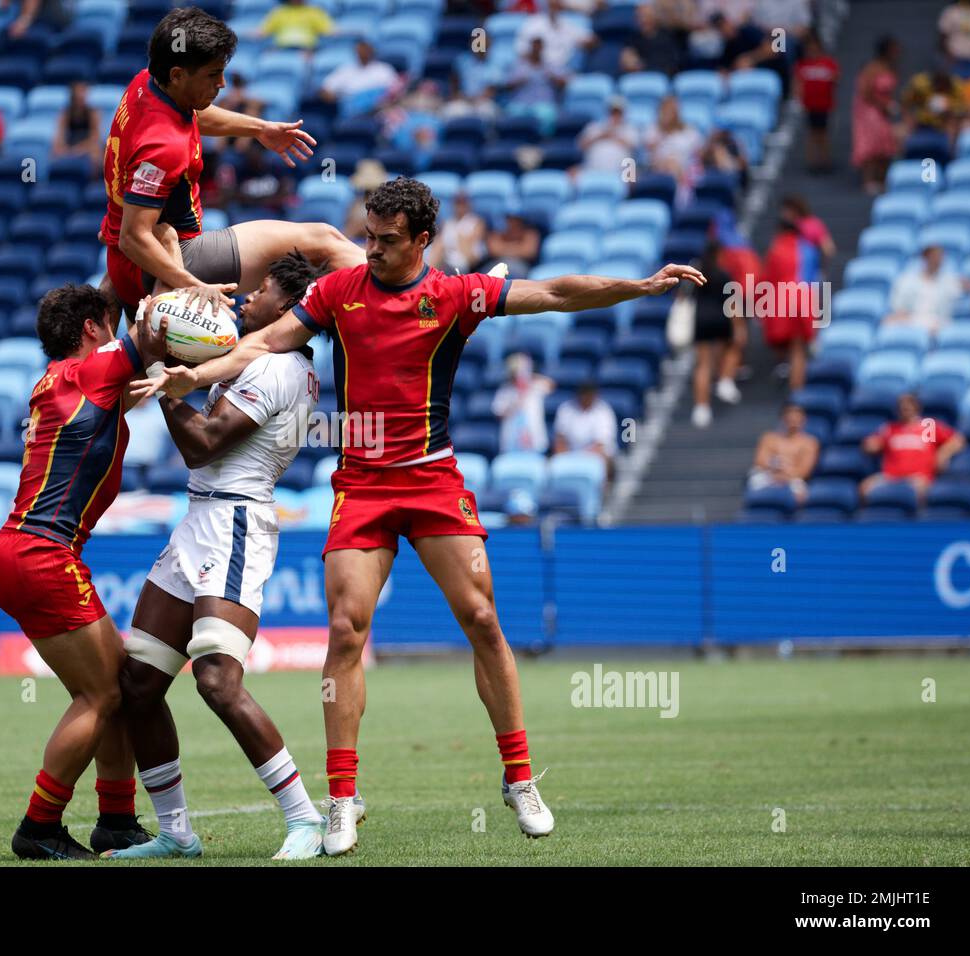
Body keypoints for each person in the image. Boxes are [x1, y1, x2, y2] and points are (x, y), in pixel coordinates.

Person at [133, 176, 706, 856]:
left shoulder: (456, 295)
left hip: (433, 480)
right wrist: (192, 378)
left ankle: (519, 779)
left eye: (386, 241)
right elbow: (264, 343)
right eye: (367, 236)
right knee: (345, 631)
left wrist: (638, 286)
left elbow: (553, 293)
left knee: (484, 619)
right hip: (363, 486)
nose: (369, 249)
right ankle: (341, 801)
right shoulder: (334, 293)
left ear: (422, 240)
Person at [106, 252, 327, 862]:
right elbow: (195, 364)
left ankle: (304, 818)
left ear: (288, 308)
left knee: (216, 681)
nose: (246, 298)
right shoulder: (260, 358)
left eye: (260, 293)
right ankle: (176, 833)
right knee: (139, 683)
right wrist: (168, 324)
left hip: (234, 520)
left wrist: (154, 361)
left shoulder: (278, 368)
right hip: (200, 519)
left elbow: (202, 445)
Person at [0, 283, 169, 861]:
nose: (114, 332)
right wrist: (187, 284)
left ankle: (116, 819)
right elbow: (155, 328)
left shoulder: (61, 381)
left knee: (109, 688)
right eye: (107, 324)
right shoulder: (91, 372)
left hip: (20, 550)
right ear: (92, 329)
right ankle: (38, 827)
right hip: (43, 553)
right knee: (101, 694)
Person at [100, 8, 365, 322]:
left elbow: (192, 113)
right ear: (178, 75)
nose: (223, 84)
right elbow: (135, 237)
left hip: (127, 259)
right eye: (213, 74)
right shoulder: (162, 146)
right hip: (171, 259)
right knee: (324, 240)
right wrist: (195, 286)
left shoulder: (147, 83)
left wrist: (259, 128)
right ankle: (416, 297)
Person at [860, 393, 966, 503]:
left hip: (917, 477)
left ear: (917, 408)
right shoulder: (890, 428)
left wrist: (942, 454)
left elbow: (957, 440)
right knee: (865, 487)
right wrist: (870, 445)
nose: (905, 409)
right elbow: (874, 444)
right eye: (902, 407)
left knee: (919, 492)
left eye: (909, 406)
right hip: (890, 476)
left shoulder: (927, 426)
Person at [689, 236, 745, 428]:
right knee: (731, 349)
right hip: (721, 319)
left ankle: (701, 407)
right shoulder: (723, 274)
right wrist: (738, 327)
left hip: (700, 320)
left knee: (703, 365)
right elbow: (732, 303)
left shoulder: (696, 274)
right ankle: (725, 380)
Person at [761, 213, 821, 391]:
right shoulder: (809, 249)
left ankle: (784, 367)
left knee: (785, 343)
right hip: (805, 297)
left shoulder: (776, 250)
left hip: (782, 297)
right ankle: (797, 390)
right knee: (799, 347)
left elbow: (768, 279)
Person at [884, 245, 970, 336]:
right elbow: (899, 309)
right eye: (935, 257)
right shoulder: (907, 281)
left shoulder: (949, 281)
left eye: (940, 257)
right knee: (889, 322)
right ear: (926, 258)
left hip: (939, 321)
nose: (938, 260)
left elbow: (964, 299)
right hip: (914, 319)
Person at [851, 37, 902, 196]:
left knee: (886, 144)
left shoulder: (890, 68)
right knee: (871, 144)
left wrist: (889, 106)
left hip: (883, 110)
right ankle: (869, 180)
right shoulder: (871, 68)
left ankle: (882, 179)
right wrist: (883, 105)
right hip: (869, 111)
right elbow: (865, 92)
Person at [747, 403, 818, 504]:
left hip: (793, 479)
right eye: (790, 418)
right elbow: (760, 461)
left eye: (796, 419)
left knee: (799, 491)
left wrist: (785, 474)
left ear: (803, 419)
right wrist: (775, 467)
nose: (793, 422)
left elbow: (804, 471)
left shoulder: (809, 443)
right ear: (783, 418)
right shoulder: (769, 438)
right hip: (769, 476)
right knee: (754, 481)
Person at [553, 380, 618, 478]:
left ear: (595, 395)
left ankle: (601, 491)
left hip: (596, 454)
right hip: (570, 454)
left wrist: (579, 458)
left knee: (603, 460)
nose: (585, 398)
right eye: (583, 394)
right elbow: (559, 441)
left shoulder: (603, 411)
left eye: (589, 395)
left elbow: (600, 445)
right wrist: (568, 457)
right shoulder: (566, 409)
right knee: (555, 462)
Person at [492, 352, 554, 454]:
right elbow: (498, 413)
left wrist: (528, 375)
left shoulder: (536, 386)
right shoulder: (505, 390)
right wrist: (515, 404)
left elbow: (551, 385)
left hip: (535, 443)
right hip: (511, 443)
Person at [795, 33, 839, 173]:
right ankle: (812, 161)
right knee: (813, 133)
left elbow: (835, 80)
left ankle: (825, 160)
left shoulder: (828, 64)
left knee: (823, 133)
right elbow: (798, 84)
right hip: (810, 105)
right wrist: (799, 99)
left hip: (824, 104)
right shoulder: (802, 65)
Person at [319, 39, 400, 109]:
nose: (363, 52)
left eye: (365, 49)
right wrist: (337, 100)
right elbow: (325, 89)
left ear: (371, 51)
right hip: (351, 111)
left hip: (379, 110)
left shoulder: (384, 69)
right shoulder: (345, 70)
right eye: (360, 50)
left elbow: (397, 91)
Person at [426, 192, 486, 275]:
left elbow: (472, 253)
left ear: (468, 204)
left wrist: (459, 239)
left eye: (463, 203)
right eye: (457, 203)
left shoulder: (475, 222)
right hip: (447, 258)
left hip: (464, 261)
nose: (460, 207)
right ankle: (427, 274)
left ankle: (427, 276)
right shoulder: (448, 222)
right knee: (437, 246)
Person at [620, 1, 684, 76]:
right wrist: (629, 61)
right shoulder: (633, 38)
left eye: (645, 16)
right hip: (644, 76)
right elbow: (627, 59)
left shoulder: (671, 34)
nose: (642, 20)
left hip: (668, 76)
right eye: (638, 16)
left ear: (655, 16)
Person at [52, 81, 102, 167]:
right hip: (70, 145)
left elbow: (95, 138)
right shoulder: (65, 114)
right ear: (73, 96)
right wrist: (65, 149)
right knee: (55, 152)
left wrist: (78, 150)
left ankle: (93, 179)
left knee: (96, 151)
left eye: (83, 93)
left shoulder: (93, 113)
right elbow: (59, 137)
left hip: (87, 146)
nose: (81, 96)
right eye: (78, 93)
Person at [257, 0, 335, 50]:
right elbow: (263, 32)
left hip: (307, 49)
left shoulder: (315, 12)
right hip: (282, 49)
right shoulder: (278, 12)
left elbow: (329, 32)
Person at [481, 211, 541, 276]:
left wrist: (504, 248)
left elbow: (529, 252)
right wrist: (518, 247)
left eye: (516, 221)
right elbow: (494, 251)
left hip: (522, 265)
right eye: (510, 220)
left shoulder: (530, 233)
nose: (512, 223)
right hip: (496, 263)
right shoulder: (497, 233)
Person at [939, 0, 970, 80]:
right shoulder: (951, 12)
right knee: (956, 86)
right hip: (956, 60)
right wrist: (948, 55)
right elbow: (943, 36)